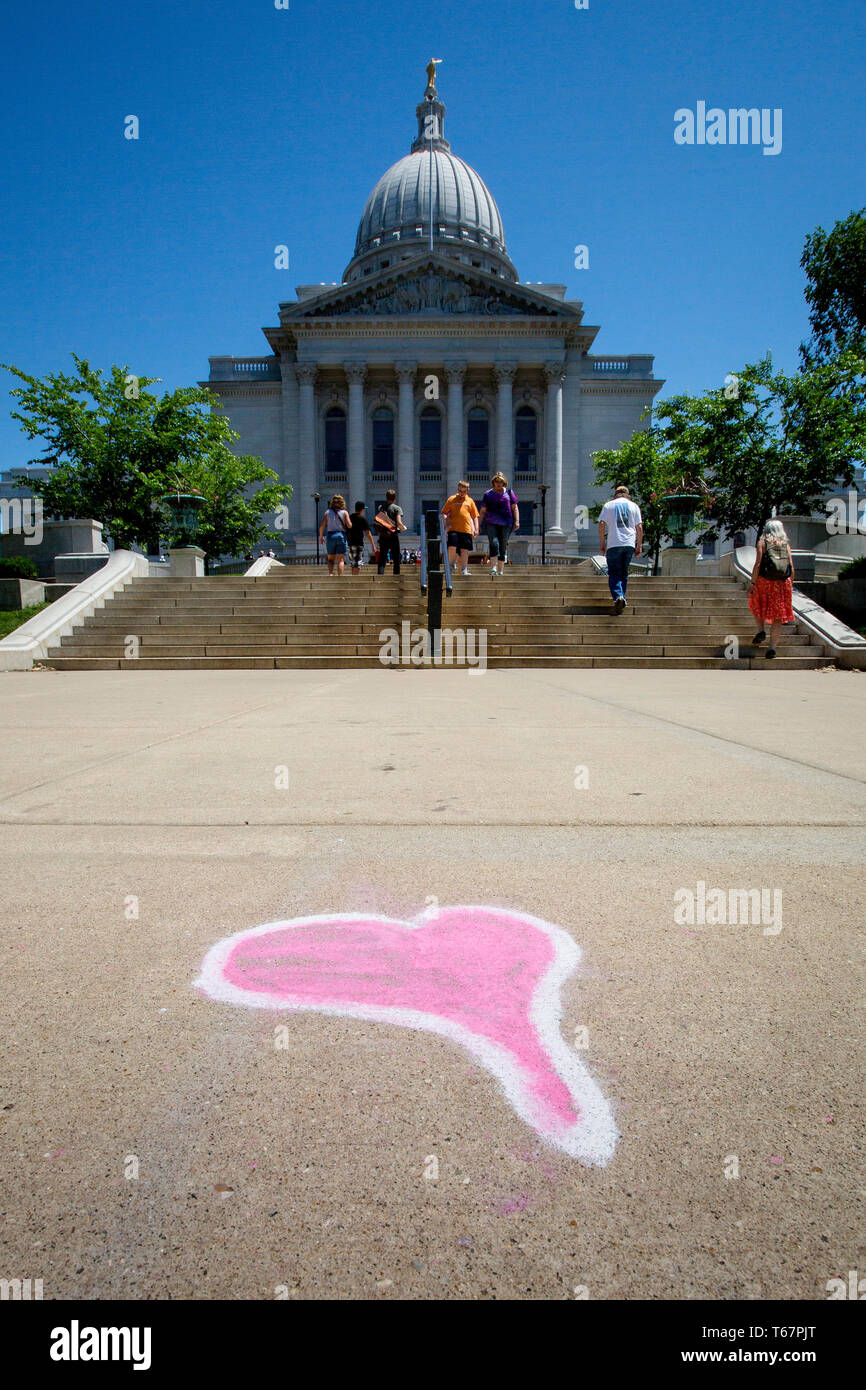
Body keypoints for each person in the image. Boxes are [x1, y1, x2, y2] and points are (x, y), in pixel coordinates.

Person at [748, 520, 795, 659]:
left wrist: (753, 583)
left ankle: (761, 630)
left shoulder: (762, 542)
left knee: (757, 605)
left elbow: (758, 564)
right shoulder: (785, 544)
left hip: (764, 581)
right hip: (781, 583)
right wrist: (790, 583)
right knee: (777, 617)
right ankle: (772, 648)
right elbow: (791, 566)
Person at [598, 485, 643, 613]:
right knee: (623, 572)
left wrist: (602, 543)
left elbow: (601, 524)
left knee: (614, 572)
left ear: (615, 494)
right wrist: (638, 545)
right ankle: (622, 596)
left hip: (614, 543)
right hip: (629, 543)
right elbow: (639, 527)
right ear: (627, 494)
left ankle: (618, 596)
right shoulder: (634, 506)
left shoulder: (609, 505)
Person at [478, 473, 519, 577]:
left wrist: (517, 521)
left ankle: (500, 570)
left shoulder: (509, 492)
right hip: (491, 523)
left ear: (504, 483)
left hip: (506, 523)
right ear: (493, 482)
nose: (499, 484)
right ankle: (493, 568)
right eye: (497, 481)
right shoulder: (488, 494)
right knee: (494, 544)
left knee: (503, 545)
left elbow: (515, 508)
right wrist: (478, 524)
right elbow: (483, 511)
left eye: (501, 481)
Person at [442, 480, 479, 575]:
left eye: (464, 491)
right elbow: (444, 513)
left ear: (468, 490)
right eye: (460, 491)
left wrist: (476, 529)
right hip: (453, 528)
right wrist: (447, 522)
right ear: (457, 489)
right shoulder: (451, 499)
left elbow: (475, 516)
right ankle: (450, 566)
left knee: (464, 550)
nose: (462, 493)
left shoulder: (470, 501)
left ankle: (464, 569)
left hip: (466, 529)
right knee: (452, 547)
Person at [319, 493, 351, 576]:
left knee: (330, 559)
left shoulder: (327, 512)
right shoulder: (344, 512)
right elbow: (349, 525)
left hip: (330, 536)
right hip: (341, 536)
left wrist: (321, 537)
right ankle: (340, 576)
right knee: (340, 560)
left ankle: (330, 574)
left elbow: (322, 526)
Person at [375, 489, 406, 574]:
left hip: (383, 535)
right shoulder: (397, 508)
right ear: (395, 498)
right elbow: (399, 523)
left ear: (386, 497)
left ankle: (380, 575)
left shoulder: (381, 508)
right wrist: (403, 528)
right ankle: (396, 575)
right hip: (393, 535)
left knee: (382, 557)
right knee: (396, 557)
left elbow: (378, 521)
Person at [345, 501, 376, 574]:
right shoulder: (362, 518)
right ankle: (355, 582)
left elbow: (345, 530)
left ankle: (353, 580)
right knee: (357, 564)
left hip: (350, 543)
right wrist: (373, 545)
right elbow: (368, 532)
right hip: (358, 544)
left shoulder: (349, 517)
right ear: (362, 509)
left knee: (353, 564)